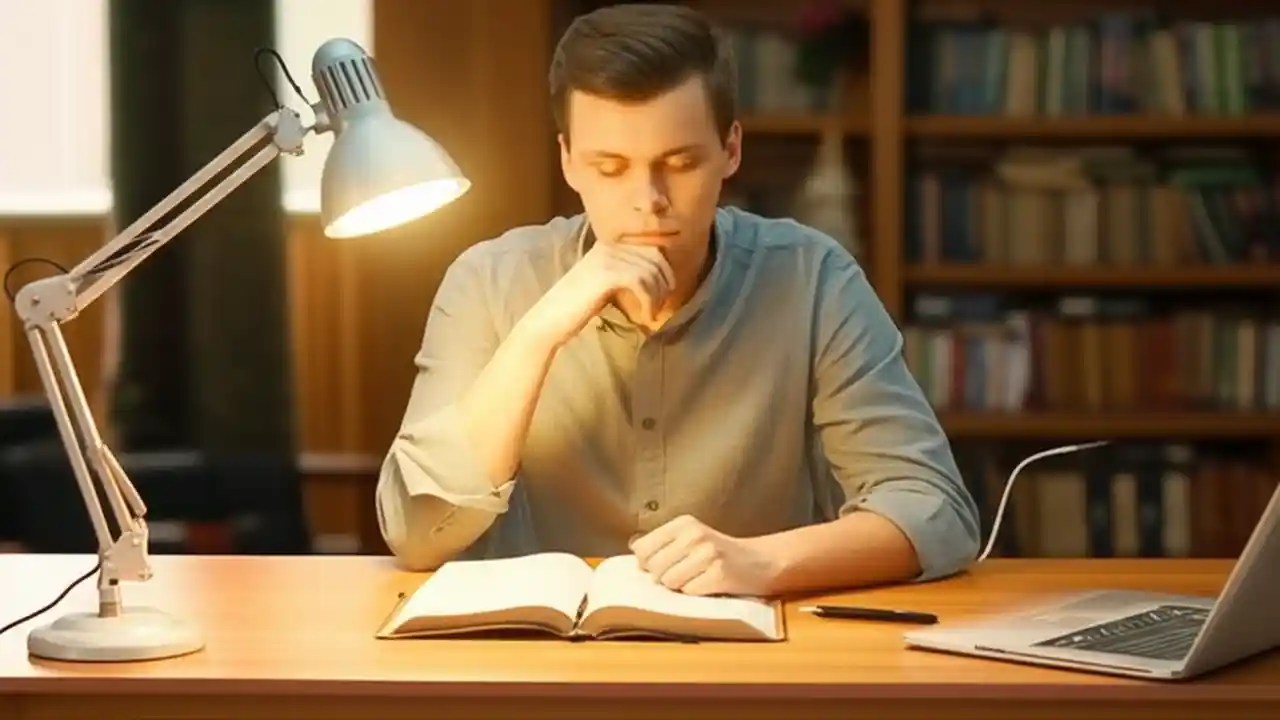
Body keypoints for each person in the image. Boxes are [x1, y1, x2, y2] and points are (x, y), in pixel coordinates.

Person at [374, 3, 979, 597]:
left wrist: (761, 563)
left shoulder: (811, 277)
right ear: (568, 161)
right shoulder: (488, 280)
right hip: (541, 668)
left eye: (681, 163)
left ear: (731, 150)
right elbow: (416, 533)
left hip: (754, 663)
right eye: (610, 168)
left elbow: (936, 512)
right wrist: (539, 332)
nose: (650, 200)